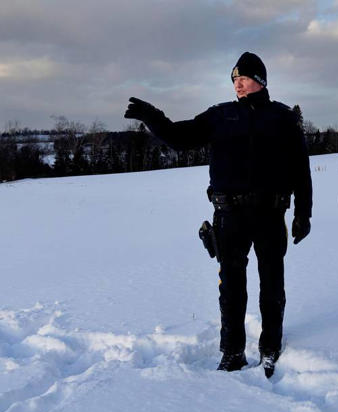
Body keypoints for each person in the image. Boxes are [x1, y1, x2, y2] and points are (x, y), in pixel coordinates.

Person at [124, 52, 312, 378]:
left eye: (244, 78)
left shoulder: (282, 117)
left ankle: (270, 347)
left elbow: (300, 169)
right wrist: (151, 116)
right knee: (231, 287)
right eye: (235, 80)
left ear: (261, 81)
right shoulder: (220, 115)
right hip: (229, 216)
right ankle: (232, 352)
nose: (238, 84)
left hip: (269, 214)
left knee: (272, 283)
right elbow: (179, 138)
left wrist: (303, 214)